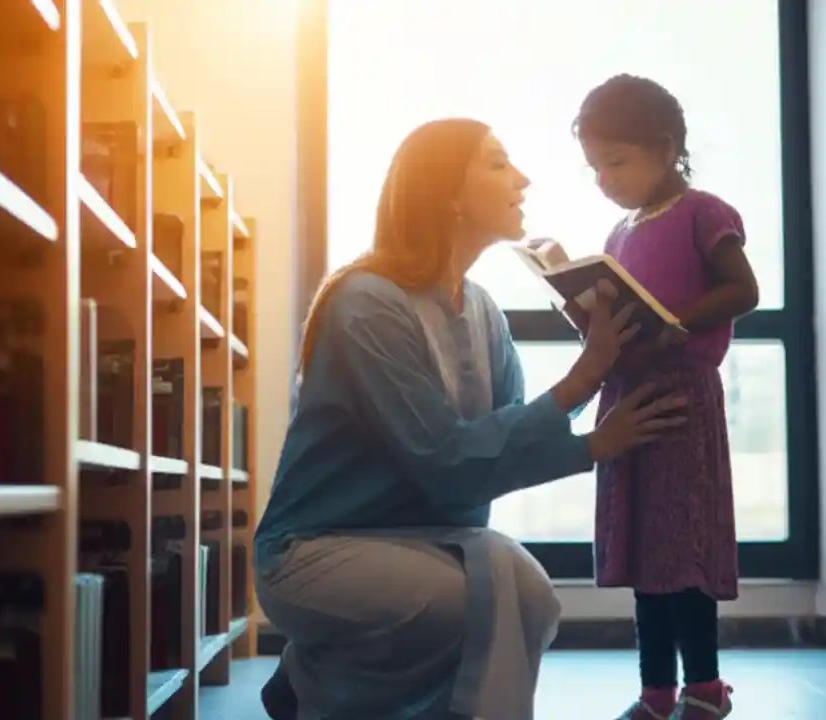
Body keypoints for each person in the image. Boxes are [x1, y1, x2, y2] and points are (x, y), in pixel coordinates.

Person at [253, 118, 688, 720]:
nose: (523, 180)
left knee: (532, 594)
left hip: (428, 543)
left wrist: (595, 438)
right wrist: (580, 381)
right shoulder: (366, 303)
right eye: (497, 163)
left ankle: (315, 684)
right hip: (317, 549)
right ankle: (318, 685)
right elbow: (448, 462)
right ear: (448, 193)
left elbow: (499, 447)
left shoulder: (482, 310)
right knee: (485, 603)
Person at [540, 75, 760, 720]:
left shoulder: (704, 212)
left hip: (680, 400)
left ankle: (706, 689)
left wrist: (675, 323)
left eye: (616, 161)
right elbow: (610, 328)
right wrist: (571, 296)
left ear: (664, 149)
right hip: (626, 395)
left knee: (681, 549)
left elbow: (742, 290)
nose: (604, 179)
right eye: (594, 167)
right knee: (641, 551)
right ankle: (656, 693)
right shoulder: (618, 234)